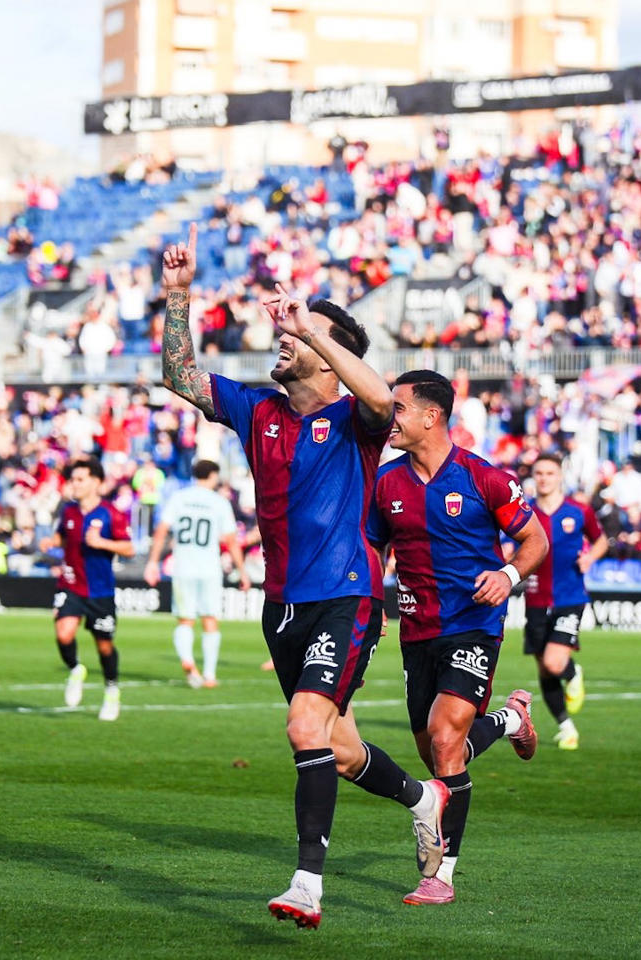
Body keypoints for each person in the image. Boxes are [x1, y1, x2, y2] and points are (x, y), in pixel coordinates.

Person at [161, 225, 451, 930]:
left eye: (303, 333)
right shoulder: (257, 410)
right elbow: (180, 376)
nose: (283, 336)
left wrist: (314, 330)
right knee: (339, 748)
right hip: (282, 605)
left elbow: (382, 398)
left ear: (331, 356)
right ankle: (424, 799)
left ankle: (306, 885)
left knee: (302, 724)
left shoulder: (357, 419)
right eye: (287, 328)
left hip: (346, 597)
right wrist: (178, 296)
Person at [366, 370, 549, 906]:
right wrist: (372, 602)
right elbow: (374, 547)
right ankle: (510, 720)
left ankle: (440, 875)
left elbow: (534, 539)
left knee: (446, 740)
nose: (388, 416)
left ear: (432, 416)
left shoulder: (483, 477)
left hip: (473, 624)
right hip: (416, 630)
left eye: (398, 408)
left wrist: (508, 576)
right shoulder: (386, 482)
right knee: (439, 755)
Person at [519, 454, 608, 751]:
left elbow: (601, 539)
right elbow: (509, 542)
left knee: (554, 662)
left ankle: (572, 671)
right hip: (535, 599)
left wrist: (590, 557)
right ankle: (566, 728)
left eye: (549, 473)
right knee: (544, 670)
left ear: (560, 476)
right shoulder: (524, 512)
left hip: (570, 597)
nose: (544, 478)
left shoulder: (578, 510)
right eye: (539, 473)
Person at [39, 457, 135, 721]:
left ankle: (111, 691)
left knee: (104, 646)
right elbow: (63, 536)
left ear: (96, 482)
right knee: (63, 633)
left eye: (80, 479)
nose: (75, 484)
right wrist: (52, 542)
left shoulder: (111, 513)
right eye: (73, 480)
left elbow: (129, 548)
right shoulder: (68, 511)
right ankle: (75, 669)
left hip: (100, 591)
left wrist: (102, 543)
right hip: (70, 584)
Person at [143, 459, 251, 687]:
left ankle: (188, 660)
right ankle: (210, 675)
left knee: (185, 620)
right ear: (213, 476)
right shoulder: (219, 502)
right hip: (209, 568)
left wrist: (152, 562)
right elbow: (231, 541)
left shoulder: (179, 498)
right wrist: (242, 571)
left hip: (183, 567)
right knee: (210, 620)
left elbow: (161, 531)